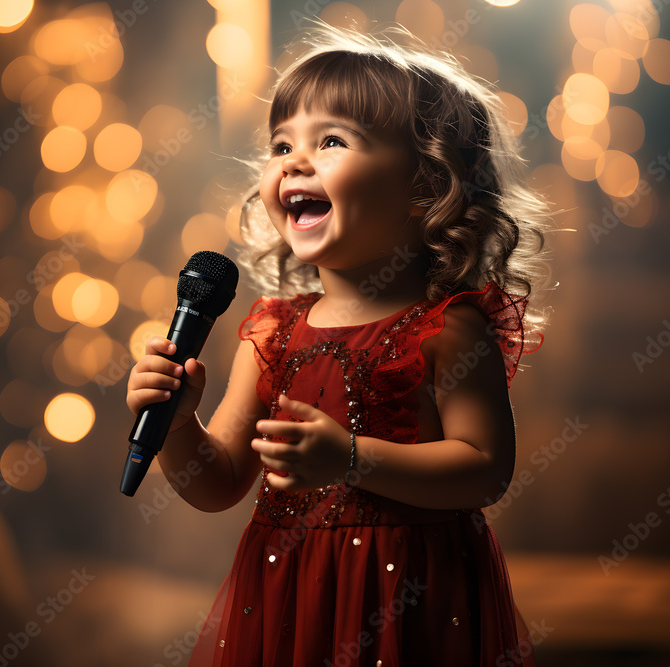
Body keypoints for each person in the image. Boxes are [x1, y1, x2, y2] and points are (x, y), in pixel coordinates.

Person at [126, 22, 550, 667]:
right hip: (287, 597)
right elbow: (219, 484)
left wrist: (351, 458)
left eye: (331, 141)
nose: (294, 161)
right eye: (280, 144)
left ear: (425, 186)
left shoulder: (448, 329)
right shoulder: (271, 332)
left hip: (411, 600)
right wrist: (180, 427)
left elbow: (485, 470)